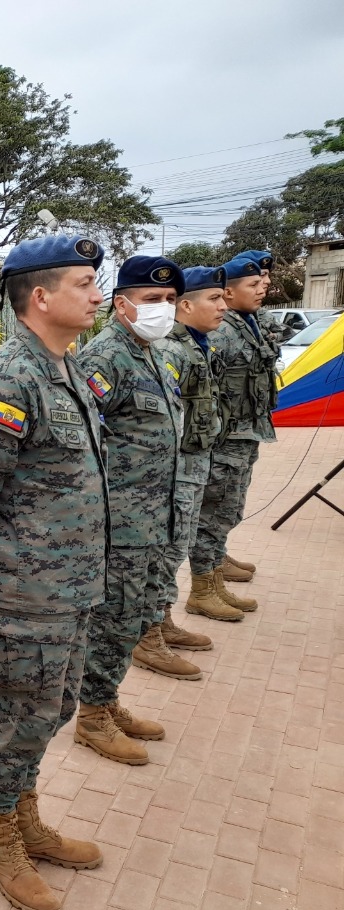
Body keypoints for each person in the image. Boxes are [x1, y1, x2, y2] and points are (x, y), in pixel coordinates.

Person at [0, 234, 108, 910]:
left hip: (71, 587)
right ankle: (1, 840)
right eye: (84, 284)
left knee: (53, 709)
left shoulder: (64, 367)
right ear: (40, 297)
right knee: (17, 716)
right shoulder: (12, 377)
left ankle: (26, 814)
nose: (97, 295)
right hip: (26, 593)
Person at [72, 256, 197, 768]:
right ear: (121, 304)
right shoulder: (106, 357)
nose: (163, 309)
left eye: (169, 301)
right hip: (120, 522)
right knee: (115, 621)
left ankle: (107, 699)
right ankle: (92, 717)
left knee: (138, 615)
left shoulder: (152, 354)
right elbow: (82, 441)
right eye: (151, 300)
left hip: (153, 516)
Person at [159, 266, 242, 626]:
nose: (223, 305)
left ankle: (170, 615)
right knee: (168, 550)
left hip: (196, 464)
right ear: (186, 305)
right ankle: (152, 628)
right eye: (214, 297)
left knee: (182, 544)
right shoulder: (170, 350)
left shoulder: (198, 345)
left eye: (223, 297)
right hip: (174, 472)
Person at [190, 256, 273, 615]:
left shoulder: (247, 323)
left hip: (245, 432)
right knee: (213, 512)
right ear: (228, 290)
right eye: (253, 285)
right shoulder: (222, 331)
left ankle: (215, 570)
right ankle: (203, 587)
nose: (262, 289)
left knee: (229, 509)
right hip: (224, 439)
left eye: (263, 283)